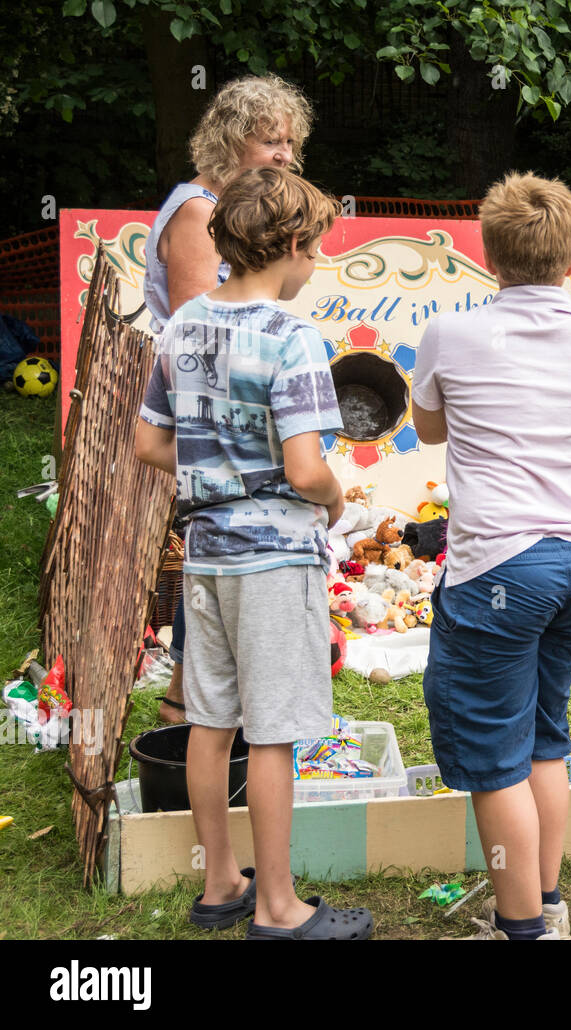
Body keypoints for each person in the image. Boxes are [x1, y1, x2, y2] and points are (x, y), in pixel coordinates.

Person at [134, 166, 372, 940]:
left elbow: (148, 443)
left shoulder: (182, 325)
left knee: (211, 721)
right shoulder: (294, 337)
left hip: (203, 556)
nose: (316, 265)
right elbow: (306, 470)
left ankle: (219, 883)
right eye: (317, 250)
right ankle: (278, 907)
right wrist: (338, 503)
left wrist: (218, 467)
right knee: (272, 732)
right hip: (273, 561)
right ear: (295, 245)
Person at [411, 172, 571, 940]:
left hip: (497, 572)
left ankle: (522, 929)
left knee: (493, 757)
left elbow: (432, 427)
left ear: (488, 257)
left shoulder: (451, 333)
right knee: (545, 736)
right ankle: (543, 903)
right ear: (570, 260)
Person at [143, 74, 313, 726]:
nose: (285, 155)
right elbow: (197, 332)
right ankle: (190, 707)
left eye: (290, 143)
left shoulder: (224, 213)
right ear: (231, 140)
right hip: (209, 417)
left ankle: (192, 704)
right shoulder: (196, 211)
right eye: (272, 140)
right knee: (218, 550)